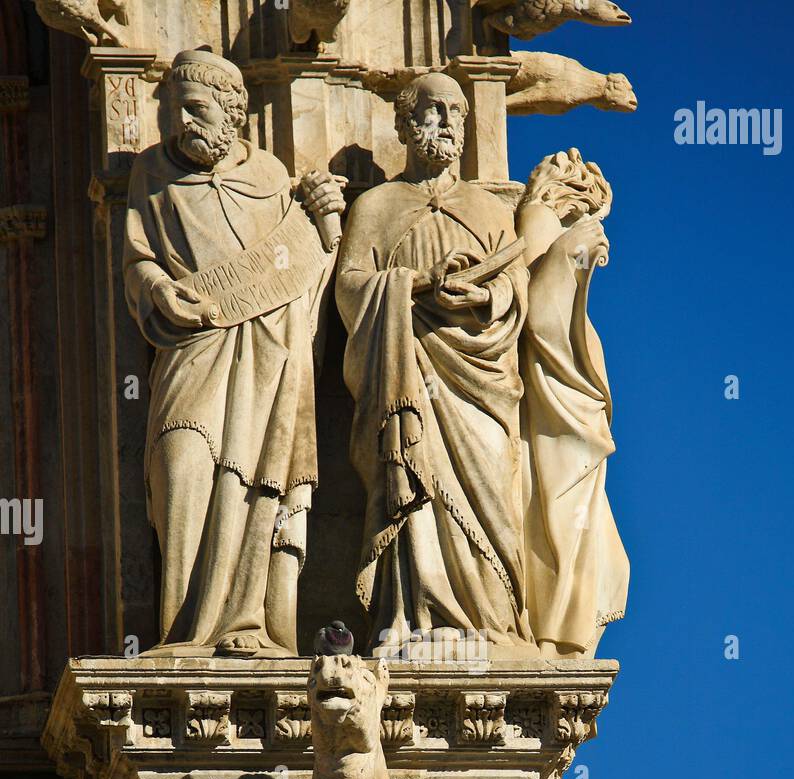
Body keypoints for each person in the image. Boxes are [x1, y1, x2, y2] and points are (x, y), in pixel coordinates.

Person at [124, 48, 344, 653]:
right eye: (172, 113)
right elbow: (138, 259)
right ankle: (182, 629)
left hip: (271, 352)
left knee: (255, 479)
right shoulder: (151, 174)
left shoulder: (271, 178)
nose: (182, 125)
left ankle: (247, 619)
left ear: (232, 114)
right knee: (182, 464)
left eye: (195, 110)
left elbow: (308, 274)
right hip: (191, 345)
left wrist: (326, 226)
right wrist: (158, 288)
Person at [335, 72, 536, 658]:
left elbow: (515, 285)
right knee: (413, 476)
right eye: (432, 111)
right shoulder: (376, 206)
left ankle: (490, 620)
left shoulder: (488, 206)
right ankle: (418, 614)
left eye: (456, 112)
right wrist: (414, 285)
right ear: (403, 123)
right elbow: (349, 287)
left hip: (482, 377)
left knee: (491, 483)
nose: (447, 122)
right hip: (406, 365)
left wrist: (486, 298)